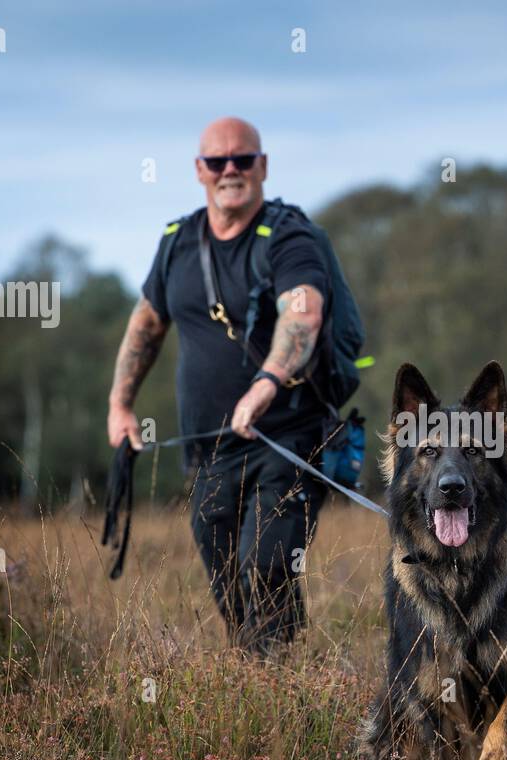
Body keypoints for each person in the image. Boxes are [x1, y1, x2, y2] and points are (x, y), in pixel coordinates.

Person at [107, 116, 329, 654]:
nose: (231, 169)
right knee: (223, 568)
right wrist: (121, 404)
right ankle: (259, 663)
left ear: (263, 166)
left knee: (266, 562)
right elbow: (147, 324)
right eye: (217, 161)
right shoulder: (177, 243)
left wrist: (266, 383)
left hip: (287, 437)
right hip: (208, 448)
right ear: (199, 171)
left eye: (243, 159)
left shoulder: (289, 238)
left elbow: (303, 313)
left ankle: (273, 678)